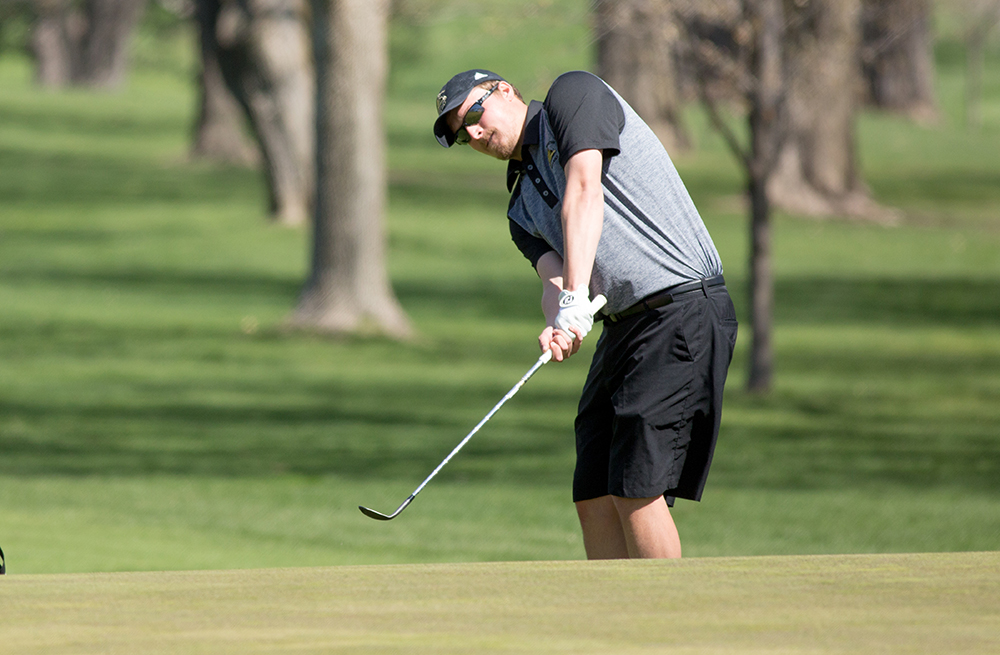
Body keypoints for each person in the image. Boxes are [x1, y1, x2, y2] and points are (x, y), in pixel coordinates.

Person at [433, 69, 738, 559]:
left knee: (636, 487)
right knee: (593, 492)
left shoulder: (571, 97)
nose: (472, 133)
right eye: (459, 135)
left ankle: (668, 619)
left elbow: (583, 189)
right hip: (624, 327)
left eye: (473, 113)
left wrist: (575, 295)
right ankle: (609, 620)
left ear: (504, 90)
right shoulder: (520, 210)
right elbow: (553, 280)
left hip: (680, 308)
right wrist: (559, 321)